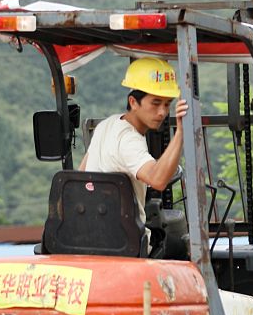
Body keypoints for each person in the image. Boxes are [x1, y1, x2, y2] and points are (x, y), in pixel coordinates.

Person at [80, 57, 188, 230]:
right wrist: (181, 133)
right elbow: (158, 180)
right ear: (133, 102)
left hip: (91, 228)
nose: (162, 112)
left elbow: (81, 173)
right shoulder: (130, 140)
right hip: (125, 236)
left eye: (167, 104)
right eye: (155, 103)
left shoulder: (106, 125)